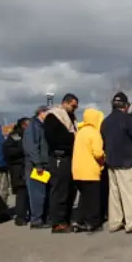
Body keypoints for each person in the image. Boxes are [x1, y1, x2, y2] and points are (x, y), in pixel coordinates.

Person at [101, 92, 132, 234]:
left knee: (114, 194)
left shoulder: (106, 121)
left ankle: (115, 222)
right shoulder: (127, 119)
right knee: (131, 193)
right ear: (126, 106)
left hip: (111, 160)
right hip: (127, 160)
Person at [43, 93, 79, 234]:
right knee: (60, 190)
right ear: (65, 103)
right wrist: (72, 138)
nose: (74, 109)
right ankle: (58, 222)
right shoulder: (53, 117)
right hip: (59, 156)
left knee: (70, 189)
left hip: (69, 157)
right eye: (73, 106)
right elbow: (54, 138)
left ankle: (66, 218)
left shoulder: (72, 118)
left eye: (76, 107)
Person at [72, 107, 105, 233]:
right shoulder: (94, 133)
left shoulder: (80, 132)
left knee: (84, 197)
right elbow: (97, 153)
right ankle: (93, 222)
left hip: (77, 170)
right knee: (93, 198)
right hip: (90, 171)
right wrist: (104, 158)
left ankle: (79, 220)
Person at [22, 105, 50, 229]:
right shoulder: (32, 127)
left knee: (43, 193)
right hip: (35, 166)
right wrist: (38, 163)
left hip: (44, 164)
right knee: (37, 194)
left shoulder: (42, 126)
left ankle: (43, 218)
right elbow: (31, 147)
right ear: (41, 113)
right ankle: (36, 220)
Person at [4, 117, 31, 226]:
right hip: (18, 168)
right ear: (23, 125)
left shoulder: (29, 135)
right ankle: (20, 217)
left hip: (27, 167)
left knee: (29, 192)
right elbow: (8, 151)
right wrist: (23, 150)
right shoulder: (15, 136)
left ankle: (29, 213)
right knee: (22, 192)